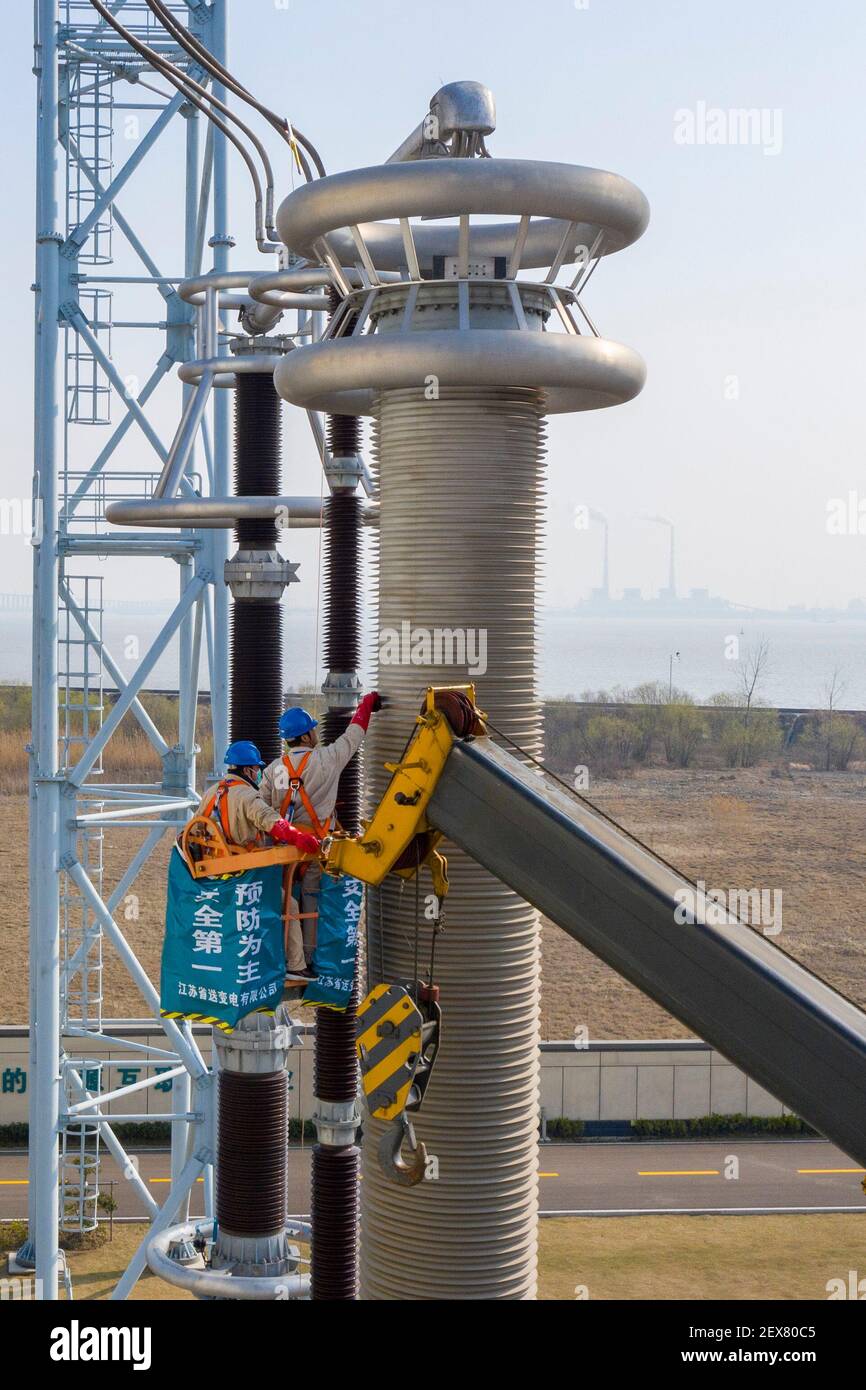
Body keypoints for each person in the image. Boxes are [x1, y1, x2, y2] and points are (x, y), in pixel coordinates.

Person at [260, 693, 382, 965]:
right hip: (316, 848)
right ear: (304, 737)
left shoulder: (272, 770)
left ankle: (284, 956)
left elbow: (263, 811)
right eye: (312, 730)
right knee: (311, 897)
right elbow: (354, 735)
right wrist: (366, 706)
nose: (315, 733)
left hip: (283, 848)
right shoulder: (326, 759)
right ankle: (310, 956)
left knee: (285, 900)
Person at [193, 740, 321, 981]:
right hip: (246, 875)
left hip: (217, 879)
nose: (258, 773)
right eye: (257, 769)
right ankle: (295, 965)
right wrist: (302, 839)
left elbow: (193, 831)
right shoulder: (247, 795)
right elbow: (274, 823)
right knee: (290, 905)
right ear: (248, 770)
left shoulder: (211, 793)